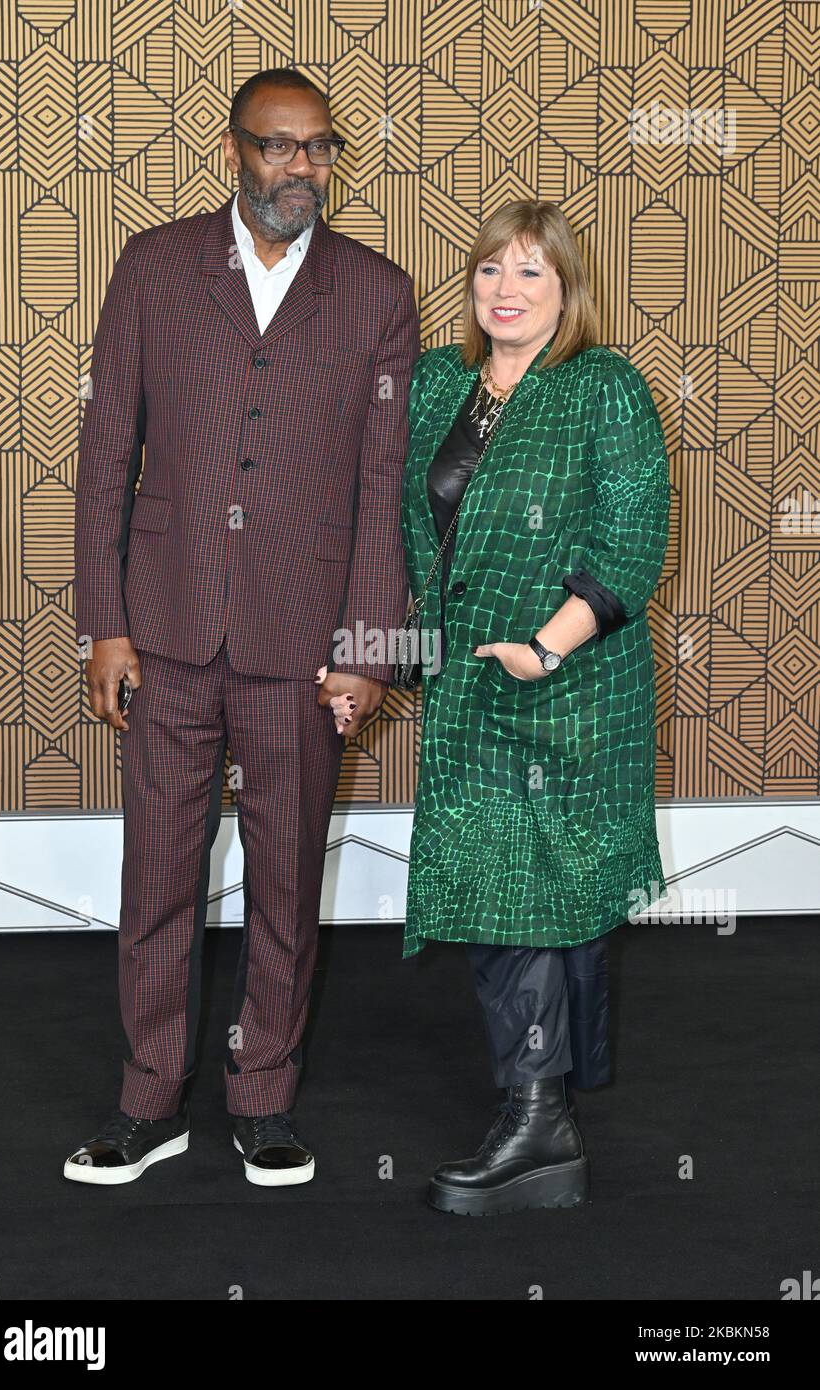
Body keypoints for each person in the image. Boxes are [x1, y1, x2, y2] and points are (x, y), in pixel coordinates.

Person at [67, 68, 419, 1186]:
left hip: (302, 650)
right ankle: (148, 1100)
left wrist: (367, 649)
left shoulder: (375, 293)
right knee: (156, 879)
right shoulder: (155, 267)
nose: (299, 169)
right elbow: (101, 461)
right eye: (277, 147)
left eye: (318, 149)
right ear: (233, 152)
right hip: (165, 635)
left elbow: (383, 491)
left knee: (283, 880)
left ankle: (262, 1097)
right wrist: (105, 626)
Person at [399, 199, 671, 1215]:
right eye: (487, 272)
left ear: (565, 290)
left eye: (528, 274)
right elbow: (406, 535)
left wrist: (544, 647)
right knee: (505, 897)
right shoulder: (437, 384)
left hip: (568, 690)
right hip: (468, 690)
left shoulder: (602, 388)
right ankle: (541, 1114)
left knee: (536, 899)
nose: (503, 292)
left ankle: (536, 1120)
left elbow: (632, 536)